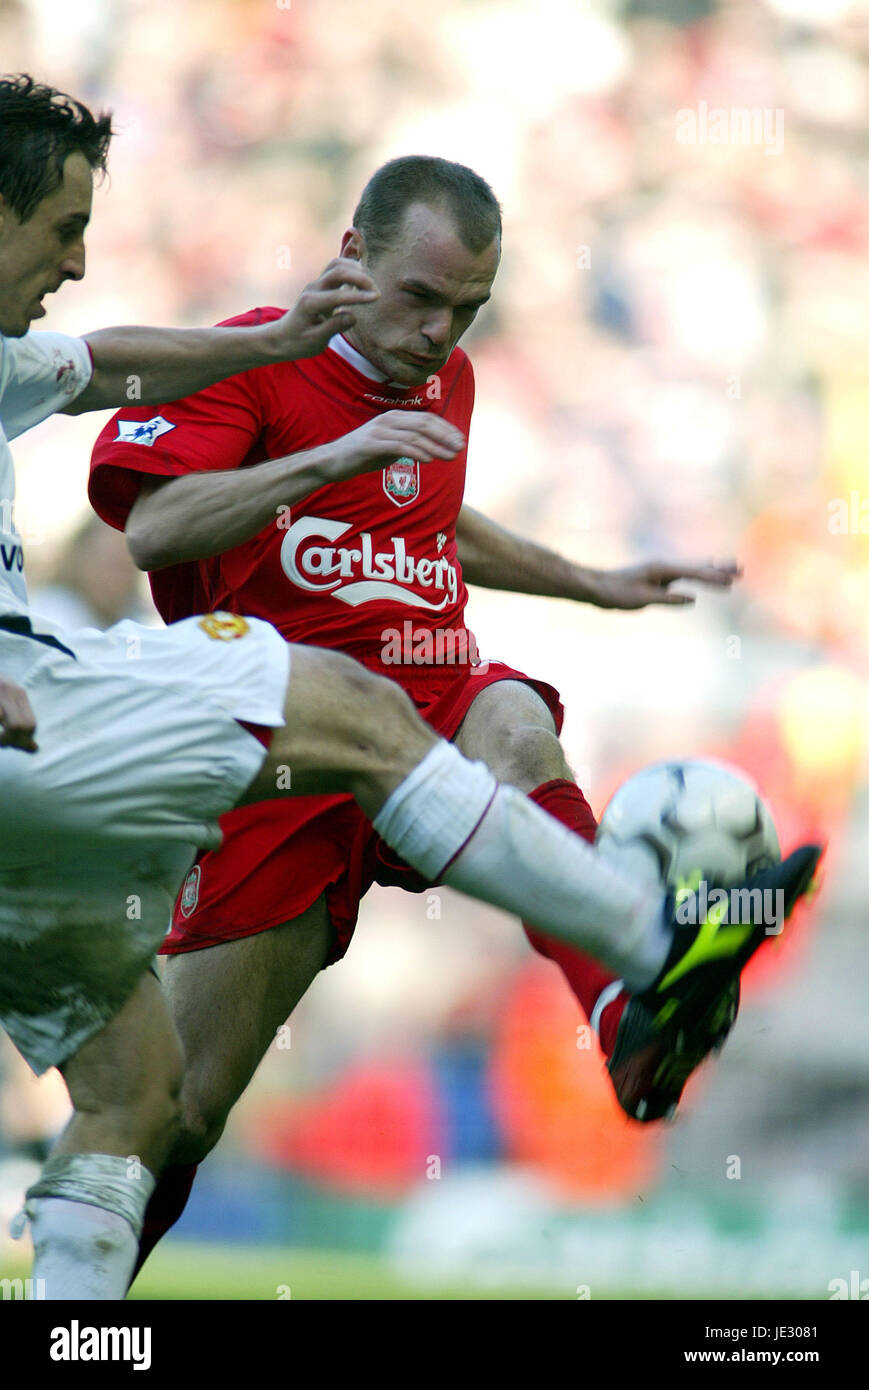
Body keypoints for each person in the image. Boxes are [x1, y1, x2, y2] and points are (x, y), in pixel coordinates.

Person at [1, 74, 816, 1301]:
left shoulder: (442, 378)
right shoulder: (241, 367)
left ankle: (633, 1004)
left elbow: (429, 521)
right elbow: (159, 530)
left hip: (415, 702)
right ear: (349, 258)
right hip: (268, 756)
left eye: (467, 310)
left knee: (508, 711)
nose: (438, 334)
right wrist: (320, 441)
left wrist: (584, 578)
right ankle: (82, 1309)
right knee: (175, 1107)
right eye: (420, 298)